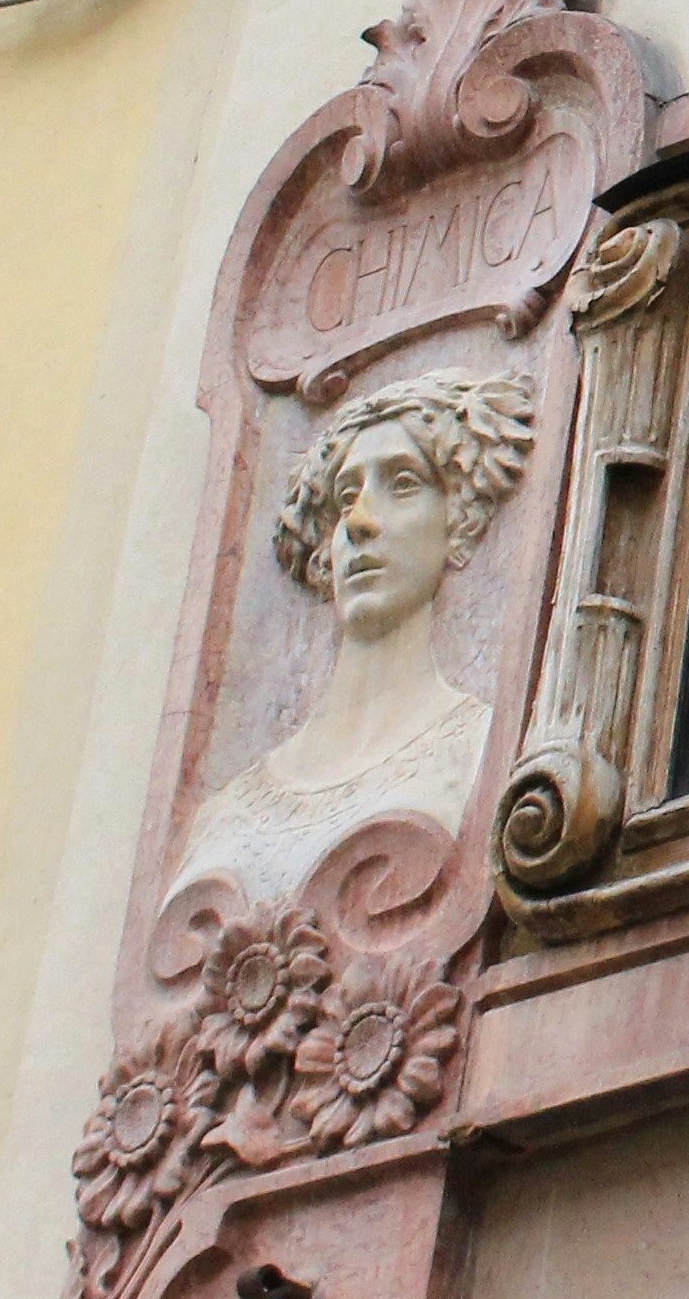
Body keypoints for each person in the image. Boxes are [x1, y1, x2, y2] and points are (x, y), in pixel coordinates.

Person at [173, 372, 540, 905]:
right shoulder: (223, 814)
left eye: (404, 484)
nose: (360, 522)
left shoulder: (479, 752)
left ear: (459, 519)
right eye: (346, 497)